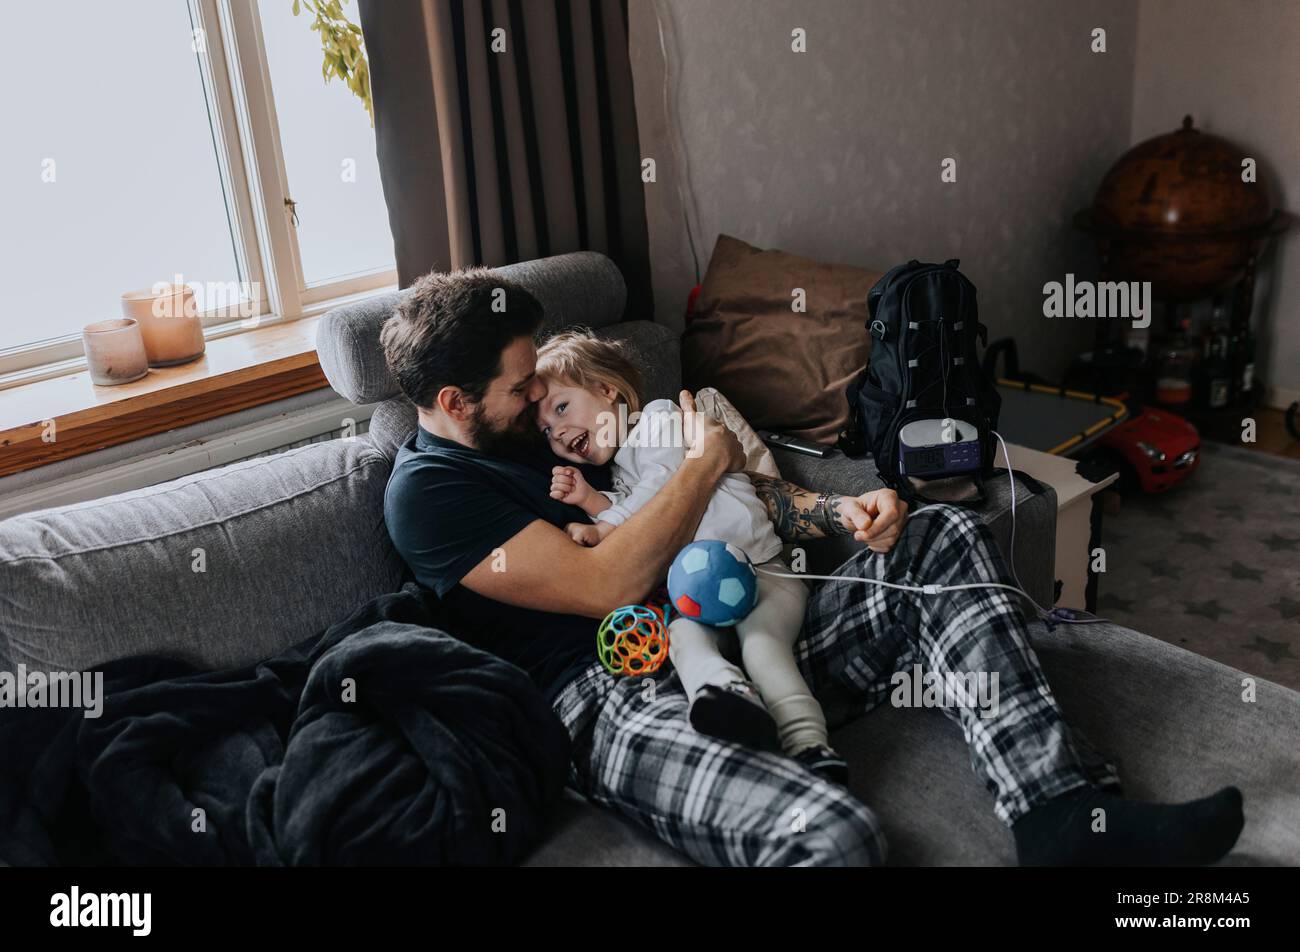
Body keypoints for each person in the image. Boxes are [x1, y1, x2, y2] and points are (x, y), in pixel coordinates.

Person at [380, 267, 1245, 866]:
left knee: (937, 535)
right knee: (832, 838)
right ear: (455, 404)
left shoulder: (557, 420)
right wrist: (701, 464)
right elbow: (608, 583)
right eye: (521, 384)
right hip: (618, 682)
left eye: (542, 381)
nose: (539, 398)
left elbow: (745, 496)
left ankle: (1060, 813)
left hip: (748, 607)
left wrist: (841, 511)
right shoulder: (430, 493)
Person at [535, 330, 846, 783]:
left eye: (561, 408)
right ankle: (728, 699)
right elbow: (646, 518)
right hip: (693, 591)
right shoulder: (622, 470)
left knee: (763, 647)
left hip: (761, 571)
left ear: (608, 389)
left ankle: (810, 746)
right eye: (545, 430)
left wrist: (601, 526)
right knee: (682, 642)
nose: (556, 431)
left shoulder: (660, 421)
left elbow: (659, 487)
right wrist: (590, 500)